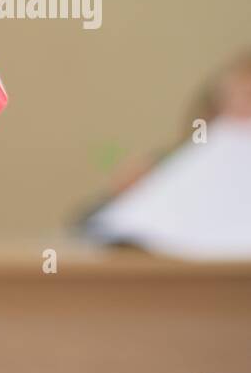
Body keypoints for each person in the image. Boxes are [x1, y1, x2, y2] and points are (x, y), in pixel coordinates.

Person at [83, 51, 251, 257]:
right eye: (227, 100)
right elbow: (95, 228)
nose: (239, 110)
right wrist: (123, 194)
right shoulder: (173, 164)